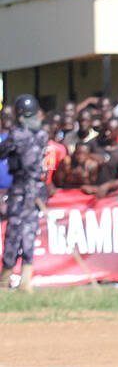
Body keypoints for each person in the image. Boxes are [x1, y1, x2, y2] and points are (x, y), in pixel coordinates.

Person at [0, 95, 47, 291]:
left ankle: (5, 279)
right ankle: (25, 281)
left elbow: (2, 151)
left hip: (20, 189)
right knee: (29, 233)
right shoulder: (43, 134)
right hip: (37, 189)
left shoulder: (17, 135)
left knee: (13, 233)